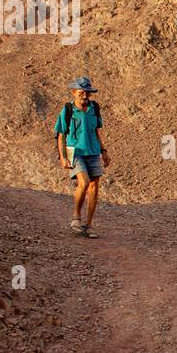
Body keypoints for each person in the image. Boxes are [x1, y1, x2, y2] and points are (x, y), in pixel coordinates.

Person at [55, 76, 110, 238]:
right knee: (84, 182)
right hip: (74, 152)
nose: (85, 95)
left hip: (93, 151)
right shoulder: (68, 110)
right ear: (74, 92)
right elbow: (61, 135)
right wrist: (63, 156)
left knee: (94, 188)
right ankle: (76, 217)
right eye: (81, 92)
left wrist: (104, 151)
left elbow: (96, 132)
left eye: (87, 92)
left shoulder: (94, 108)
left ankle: (89, 225)